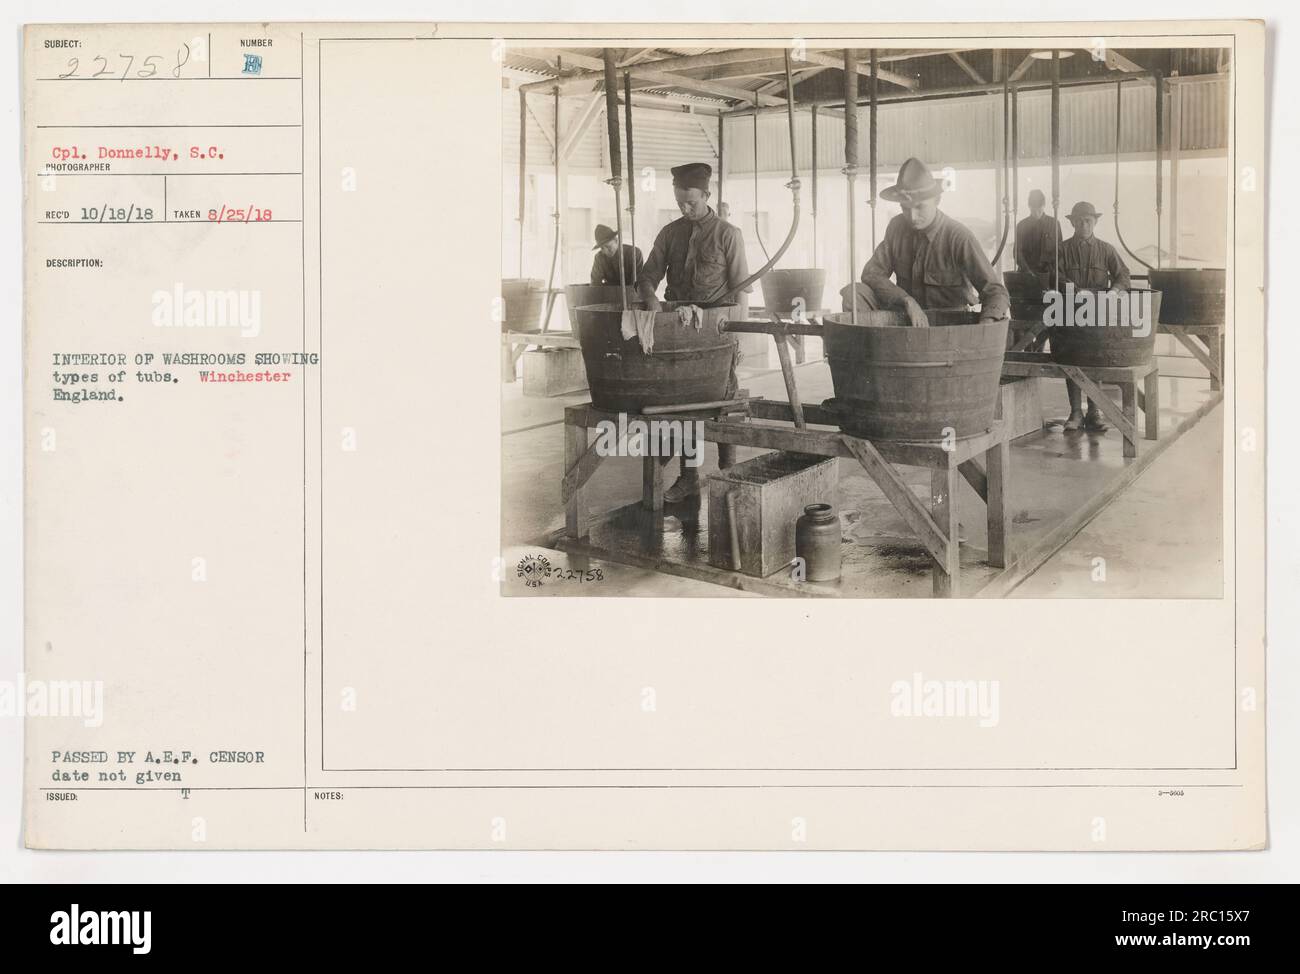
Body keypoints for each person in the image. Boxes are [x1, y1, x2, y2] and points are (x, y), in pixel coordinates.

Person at [635, 162, 752, 503]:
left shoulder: (729, 234)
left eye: (692, 203)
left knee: (723, 400)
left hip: (717, 330)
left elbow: (742, 289)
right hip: (677, 329)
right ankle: (689, 477)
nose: (686, 209)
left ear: (707, 196)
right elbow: (647, 278)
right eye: (680, 202)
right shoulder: (669, 234)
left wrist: (738, 334)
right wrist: (653, 304)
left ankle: (729, 475)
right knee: (682, 405)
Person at [840, 157, 1009, 327]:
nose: (912, 217)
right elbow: (872, 273)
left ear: (937, 201)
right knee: (854, 294)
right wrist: (906, 300)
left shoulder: (958, 237)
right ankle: (874, 352)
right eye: (905, 208)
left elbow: (995, 292)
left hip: (947, 328)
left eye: (920, 207)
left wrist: (985, 327)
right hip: (906, 320)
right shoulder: (896, 227)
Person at [1055, 200, 1132, 432]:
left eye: (1088, 220)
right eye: (1079, 221)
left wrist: (1114, 292)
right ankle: (1075, 413)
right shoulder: (1062, 249)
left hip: (1098, 313)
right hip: (1069, 312)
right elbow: (1053, 276)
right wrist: (1070, 288)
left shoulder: (1107, 249)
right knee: (1072, 360)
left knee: (1095, 358)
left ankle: (1094, 411)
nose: (1084, 224)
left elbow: (1124, 276)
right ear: (1072, 223)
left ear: (1095, 222)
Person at [1014, 188, 1063, 287]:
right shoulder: (1022, 225)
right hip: (1027, 274)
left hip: (1049, 275)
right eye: (1033, 209)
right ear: (1029, 206)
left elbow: (1060, 250)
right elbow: (1017, 252)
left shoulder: (1054, 224)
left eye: (1039, 208)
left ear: (1044, 205)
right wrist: (1027, 271)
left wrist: (1052, 270)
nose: (1036, 212)